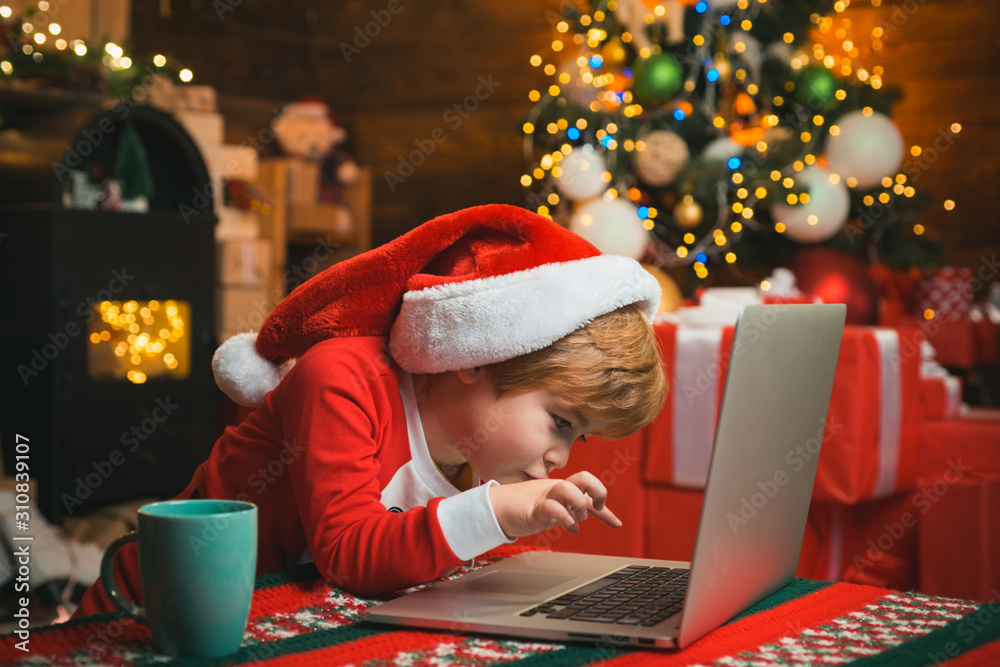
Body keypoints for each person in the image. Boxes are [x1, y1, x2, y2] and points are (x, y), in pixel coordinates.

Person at [74, 203, 666, 616]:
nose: (560, 457)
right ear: (481, 357)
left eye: (578, 437)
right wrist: (498, 510)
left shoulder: (476, 454)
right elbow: (348, 555)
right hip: (147, 615)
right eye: (561, 422)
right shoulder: (340, 377)